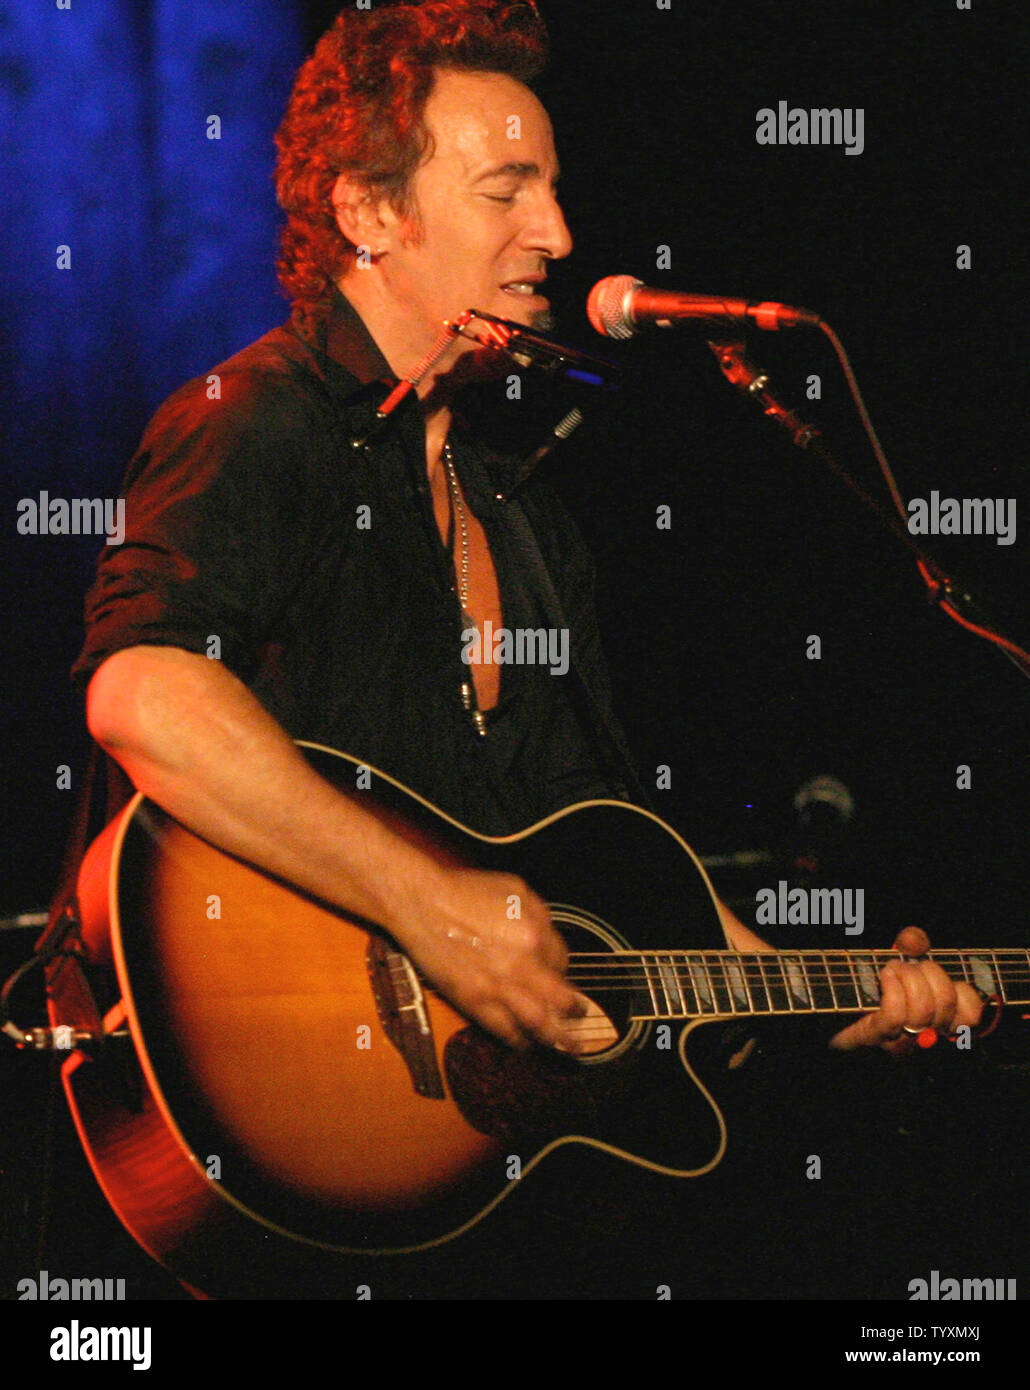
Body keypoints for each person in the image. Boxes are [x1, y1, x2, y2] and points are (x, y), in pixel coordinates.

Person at [73, 0, 980, 1067]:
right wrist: (428, 906)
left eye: (551, 190)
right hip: (261, 1059)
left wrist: (820, 996)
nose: (556, 235)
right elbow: (143, 689)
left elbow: (603, 856)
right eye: (509, 190)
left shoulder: (516, 495)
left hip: (466, 1146)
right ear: (367, 206)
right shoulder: (258, 416)